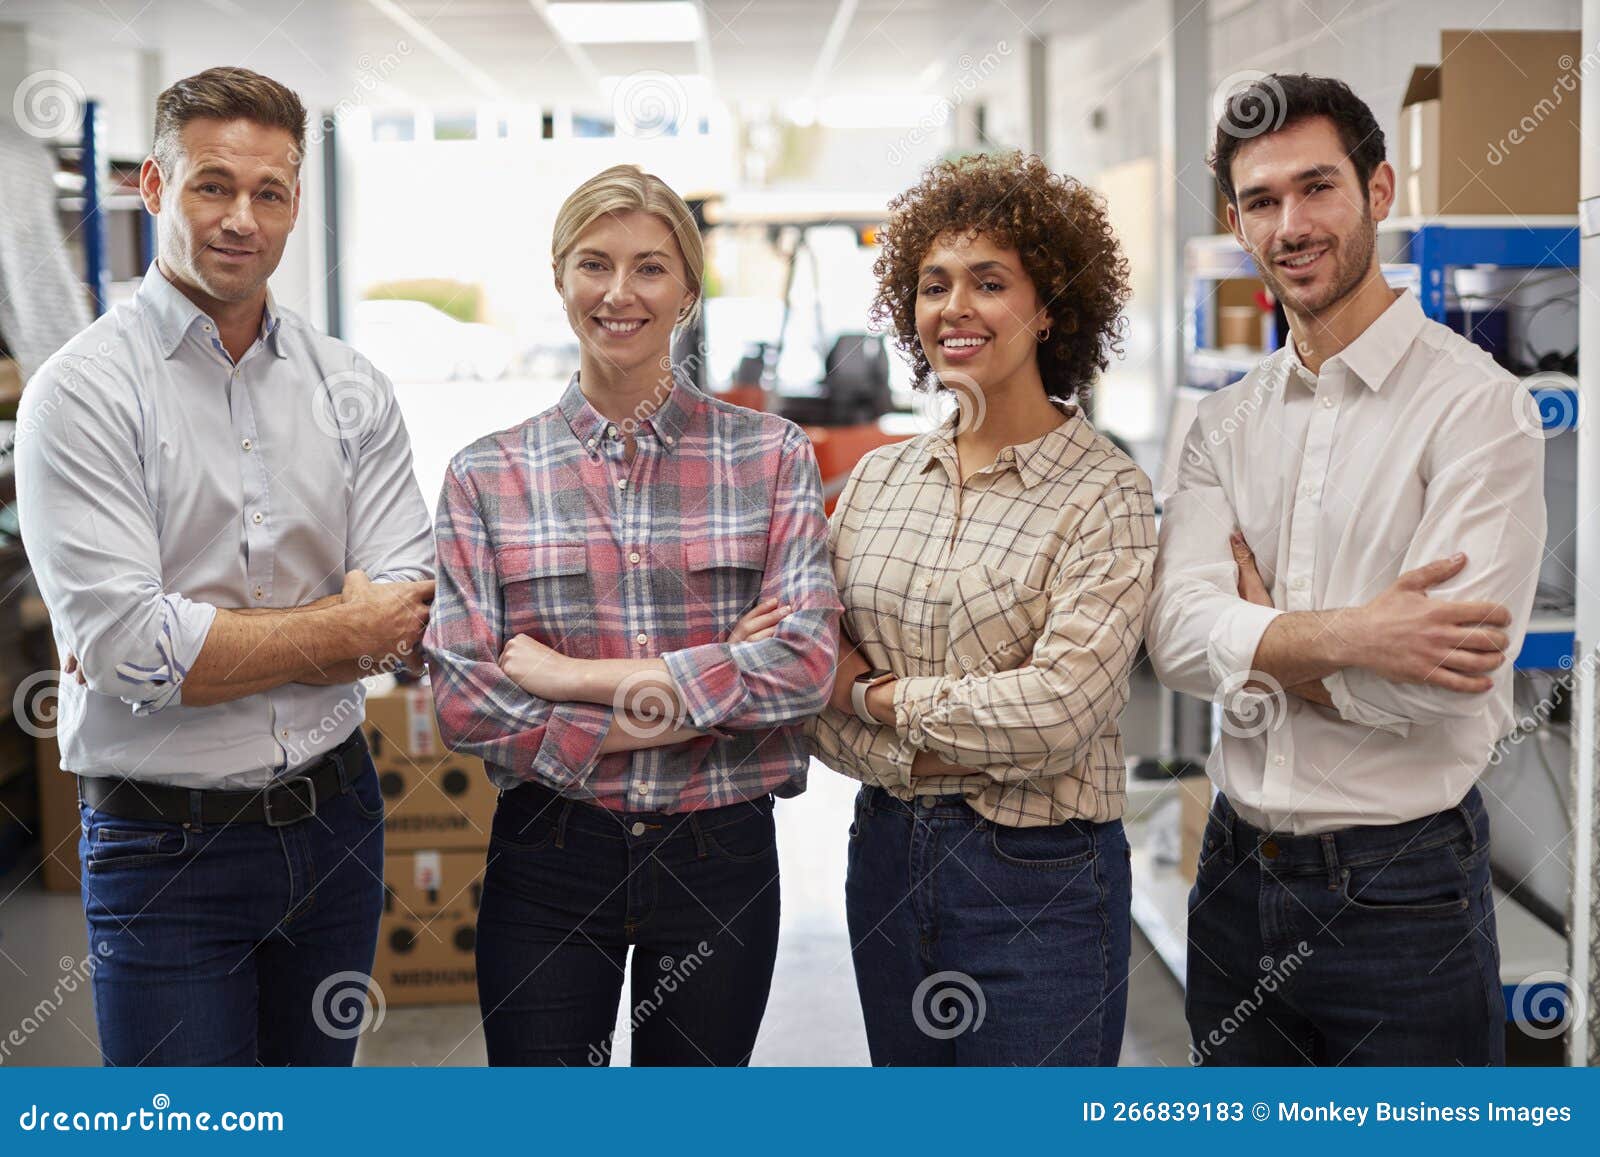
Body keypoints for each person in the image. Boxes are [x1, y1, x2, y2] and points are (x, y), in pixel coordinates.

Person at [16, 67, 435, 1066]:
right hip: (164, 848)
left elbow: (407, 608)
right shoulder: (80, 395)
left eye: (270, 192)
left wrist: (192, 641)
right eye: (212, 184)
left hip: (336, 819)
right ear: (156, 187)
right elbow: (127, 650)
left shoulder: (351, 386)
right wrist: (339, 626)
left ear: (295, 202)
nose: (240, 217)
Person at [1146, 73, 1545, 1066]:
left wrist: (1263, 637)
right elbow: (1176, 639)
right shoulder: (1221, 423)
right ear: (1239, 226)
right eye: (1262, 201)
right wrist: (1356, 636)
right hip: (1235, 878)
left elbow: (1438, 693)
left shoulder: (1478, 410)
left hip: (1402, 890)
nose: (1291, 223)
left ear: (1378, 190)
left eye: (1316, 187)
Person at [423, 164, 840, 1067]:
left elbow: (806, 665)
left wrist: (574, 679)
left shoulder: (770, 456)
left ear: (688, 289)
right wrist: (711, 674)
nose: (620, 292)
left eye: (651, 267)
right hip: (548, 853)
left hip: (718, 853)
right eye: (594, 264)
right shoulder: (484, 477)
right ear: (560, 277)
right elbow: (463, 700)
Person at [806, 150, 1156, 1065]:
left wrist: (875, 700)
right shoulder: (877, 482)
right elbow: (807, 679)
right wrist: (852, 700)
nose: (954, 306)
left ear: (1049, 309)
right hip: (885, 859)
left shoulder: (1105, 493)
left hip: (1039, 880)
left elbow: (1058, 713)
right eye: (933, 284)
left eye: (989, 282)